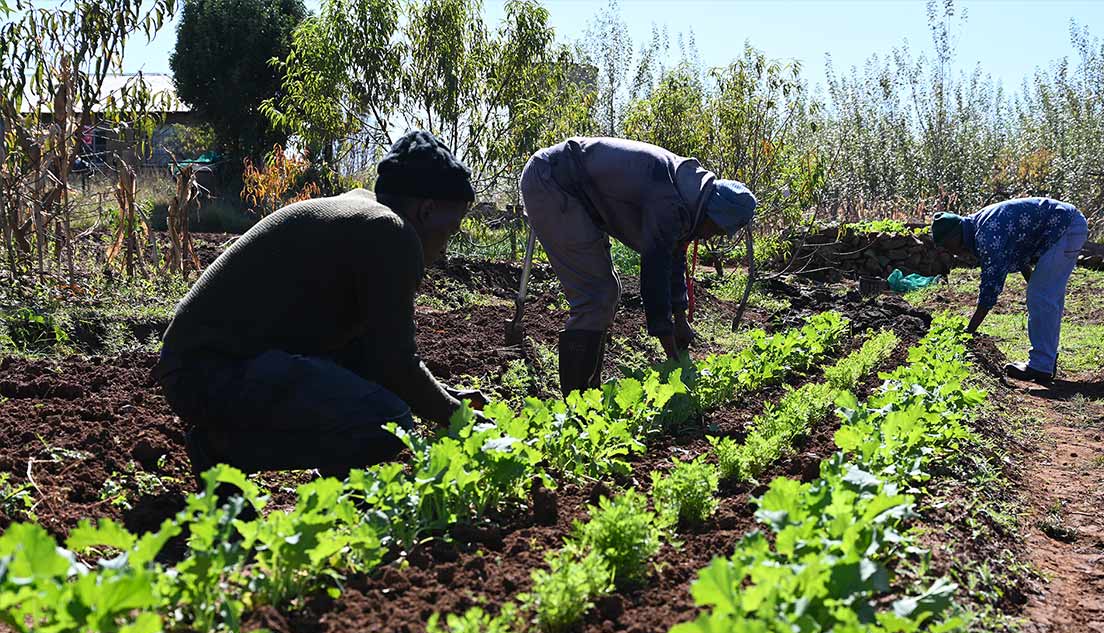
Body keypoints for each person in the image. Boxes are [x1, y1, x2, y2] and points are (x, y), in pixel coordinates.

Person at [152, 130, 483, 477]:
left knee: (368, 388)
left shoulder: (364, 212)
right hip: (208, 374)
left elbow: (372, 358)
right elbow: (396, 362)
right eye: (453, 227)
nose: (447, 245)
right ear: (427, 210)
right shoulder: (391, 233)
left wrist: (448, 396)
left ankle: (336, 492)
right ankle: (223, 451)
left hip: (203, 368)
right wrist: (456, 416)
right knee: (387, 423)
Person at [519, 137, 757, 395]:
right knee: (596, 296)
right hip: (553, 182)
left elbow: (674, 253)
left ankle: (587, 398)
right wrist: (671, 349)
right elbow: (655, 272)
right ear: (714, 216)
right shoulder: (670, 201)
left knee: (606, 293)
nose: (712, 237)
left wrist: (680, 317)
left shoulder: (692, 195)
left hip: (577, 193)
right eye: (719, 231)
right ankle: (577, 406)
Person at [931, 197, 1089, 383]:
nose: (952, 252)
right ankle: (1046, 360)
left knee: (1042, 296)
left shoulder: (987, 235)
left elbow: (990, 287)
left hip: (1064, 227)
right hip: (1066, 224)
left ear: (954, 235)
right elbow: (1019, 251)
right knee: (1043, 296)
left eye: (948, 245)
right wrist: (1034, 284)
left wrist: (968, 332)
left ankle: (1041, 366)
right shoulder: (978, 224)